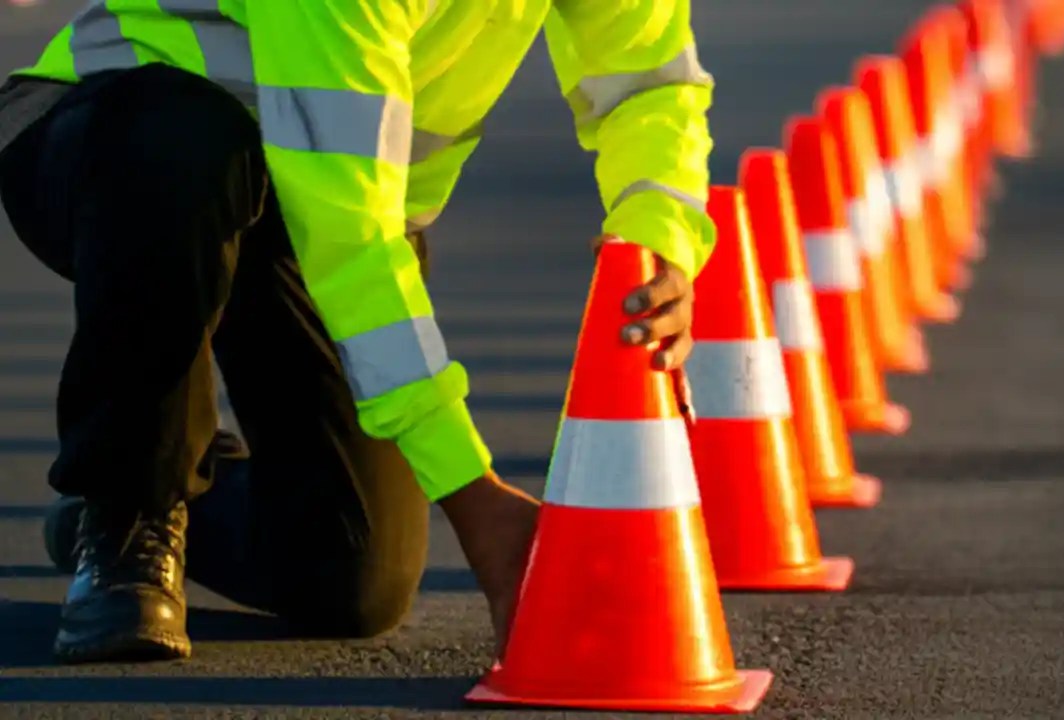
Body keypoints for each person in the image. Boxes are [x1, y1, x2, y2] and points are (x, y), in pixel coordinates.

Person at [0, 1, 714, 665]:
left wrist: (657, 244)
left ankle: (166, 477)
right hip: (119, 139)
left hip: (319, 192)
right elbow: (350, 244)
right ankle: (129, 504)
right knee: (185, 146)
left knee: (350, 578)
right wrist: (475, 495)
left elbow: (649, 84)